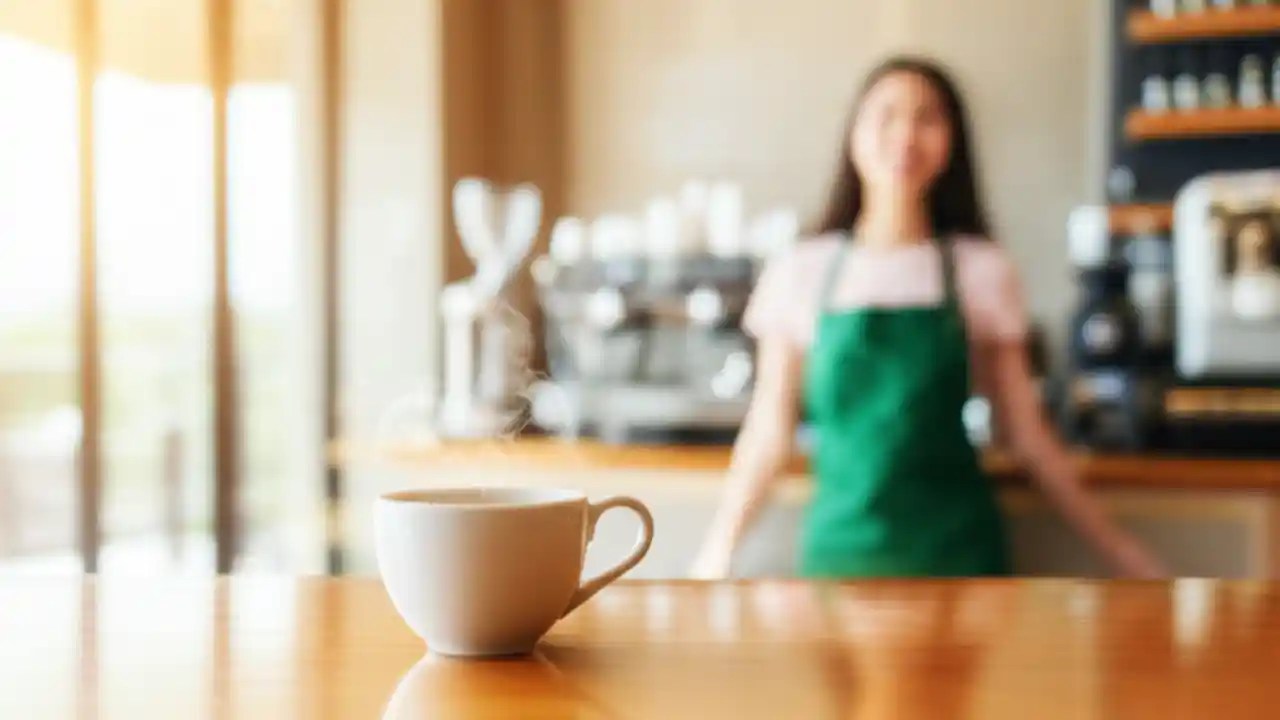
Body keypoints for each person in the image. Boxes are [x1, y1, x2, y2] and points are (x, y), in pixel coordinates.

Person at [692, 56, 1164, 579]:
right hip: (841, 557)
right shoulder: (801, 270)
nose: (906, 136)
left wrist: (1117, 548)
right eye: (886, 116)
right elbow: (768, 432)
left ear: (952, 143)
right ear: (854, 133)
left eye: (928, 118)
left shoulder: (980, 270)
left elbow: (1026, 434)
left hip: (958, 558)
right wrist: (715, 554)